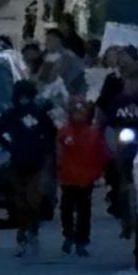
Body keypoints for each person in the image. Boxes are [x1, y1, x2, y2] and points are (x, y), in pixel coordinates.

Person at [0, 81, 57, 257]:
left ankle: (31, 229)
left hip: (35, 162)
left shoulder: (39, 114)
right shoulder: (12, 115)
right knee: (20, 200)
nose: (23, 100)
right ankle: (23, 230)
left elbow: (52, 134)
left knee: (32, 198)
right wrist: (9, 146)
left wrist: (47, 152)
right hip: (18, 162)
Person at [97, 68, 138, 238]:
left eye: (134, 81)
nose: (131, 85)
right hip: (123, 146)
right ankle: (126, 221)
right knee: (123, 183)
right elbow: (109, 122)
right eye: (128, 81)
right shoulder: (117, 102)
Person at [56, 99, 107, 256]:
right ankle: (69, 235)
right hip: (68, 178)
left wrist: (99, 173)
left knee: (84, 211)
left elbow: (100, 154)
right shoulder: (64, 132)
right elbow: (58, 153)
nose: (78, 116)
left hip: (86, 178)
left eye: (81, 113)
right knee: (67, 209)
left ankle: (81, 240)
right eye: (75, 113)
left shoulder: (93, 134)